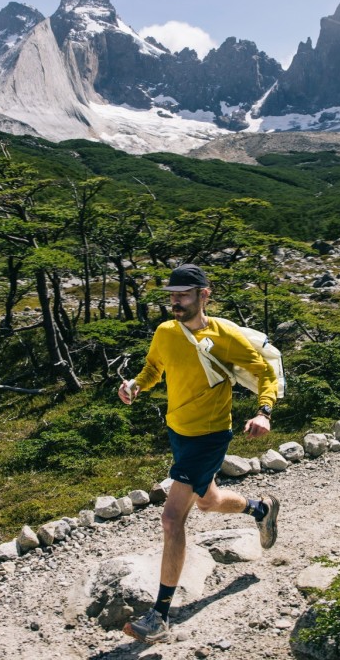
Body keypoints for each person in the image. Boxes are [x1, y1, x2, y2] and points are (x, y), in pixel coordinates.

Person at [117, 263, 280, 644]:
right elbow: (154, 366)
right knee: (209, 501)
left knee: (172, 519)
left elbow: (267, 371)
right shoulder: (165, 332)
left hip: (209, 435)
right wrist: (136, 386)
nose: (175, 302)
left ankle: (159, 615)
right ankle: (261, 509)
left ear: (204, 295)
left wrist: (264, 411)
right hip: (178, 430)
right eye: (172, 295)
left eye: (183, 295)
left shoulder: (224, 335)